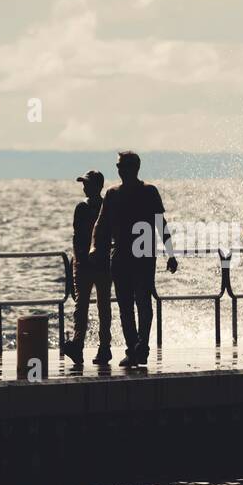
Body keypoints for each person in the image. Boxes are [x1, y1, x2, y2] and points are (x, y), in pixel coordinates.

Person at [90, 151, 178, 368]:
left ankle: (143, 347)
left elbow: (161, 223)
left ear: (134, 168)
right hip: (119, 256)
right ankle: (132, 349)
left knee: (144, 302)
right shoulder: (112, 194)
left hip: (143, 256)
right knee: (125, 306)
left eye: (123, 166)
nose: (119, 170)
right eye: (118, 166)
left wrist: (170, 253)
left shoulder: (149, 192)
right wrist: (94, 246)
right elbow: (100, 224)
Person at [61, 170, 113, 367]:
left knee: (81, 307)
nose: (84, 186)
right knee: (103, 307)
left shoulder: (82, 208)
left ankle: (78, 345)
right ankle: (103, 348)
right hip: (102, 263)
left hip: (85, 264)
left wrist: (79, 261)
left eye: (87, 183)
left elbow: (77, 237)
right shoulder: (106, 207)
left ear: (96, 186)